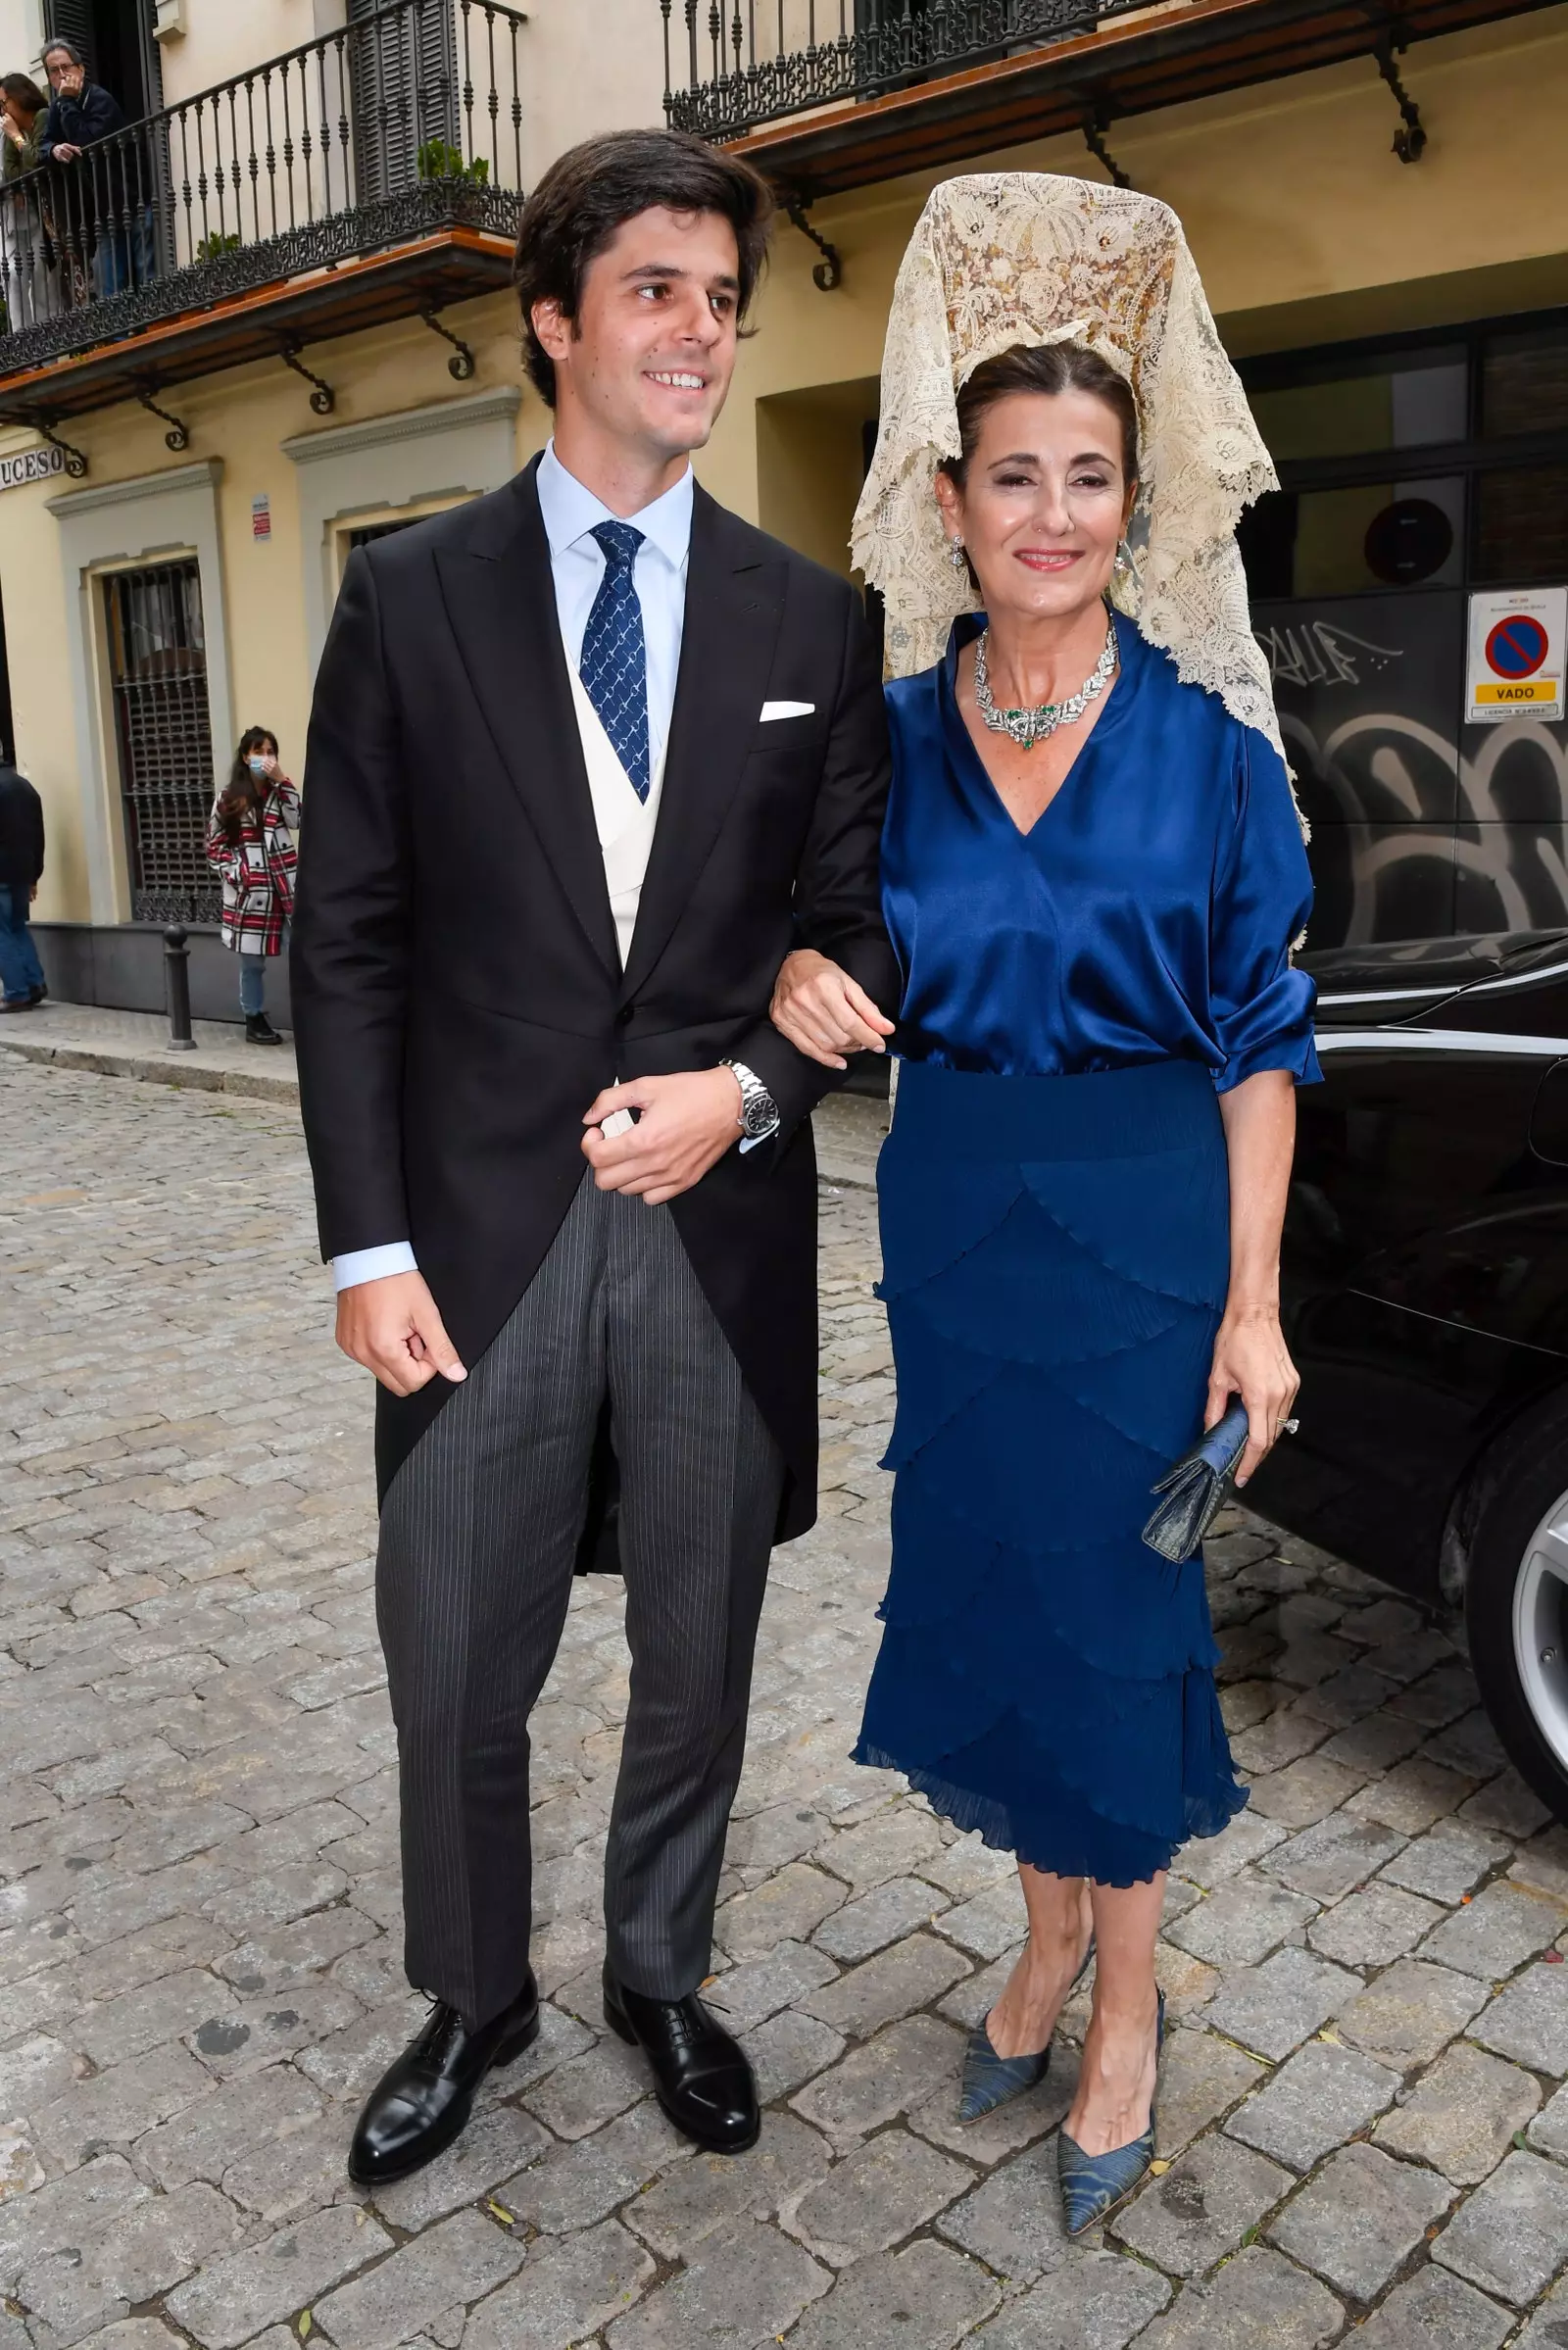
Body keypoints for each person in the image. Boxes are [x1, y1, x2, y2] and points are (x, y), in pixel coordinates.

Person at [290, 127, 898, 2188]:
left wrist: (746, 1088)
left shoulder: (814, 614)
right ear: (552, 317)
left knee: (699, 1644)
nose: (699, 331)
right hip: (474, 1235)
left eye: (722, 297)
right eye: (655, 288)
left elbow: (857, 924)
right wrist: (365, 1241)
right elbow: (346, 938)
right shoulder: (409, 597)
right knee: (458, 1648)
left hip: (715, 1230)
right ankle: (472, 1995)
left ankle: (658, 1966)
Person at [769, 173, 1317, 2235]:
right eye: (1017, 475)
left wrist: (1251, 1306)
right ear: (951, 493)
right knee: (995, 1591)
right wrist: (790, 982)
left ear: (1133, 496)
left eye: (1092, 475)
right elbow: (823, 949)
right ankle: (1033, 1936)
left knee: (1117, 1621)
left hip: (1148, 1215)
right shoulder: (882, 742)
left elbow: (1262, 1032)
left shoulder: (1209, 752)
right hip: (953, 1208)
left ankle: (1126, 2005)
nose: (1056, 514)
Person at [206, 729, 299, 1045]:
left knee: (302, 953)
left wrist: (283, 779)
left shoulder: (279, 791)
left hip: (284, 887)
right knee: (252, 962)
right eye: (260, 751)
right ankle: (254, 1017)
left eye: (271, 750)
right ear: (246, 756)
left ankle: (312, 1014)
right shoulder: (229, 797)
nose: (266, 757)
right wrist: (239, 872)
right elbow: (213, 844)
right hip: (251, 892)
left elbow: (298, 818)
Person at [38, 40, 127, 300]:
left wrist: (67, 101)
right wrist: (53, 149)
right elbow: (44, 144)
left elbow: (85, 141)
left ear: (81, 69)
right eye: (54, 71)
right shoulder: (57, 107)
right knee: (107, 277)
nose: (61, 75)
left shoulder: (99, 99)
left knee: (130, 274)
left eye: (66, 67)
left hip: (122, 196)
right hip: (91, 206)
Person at [0, 74, 49, 329]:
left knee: (43, 280)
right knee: (12, 280)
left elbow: (35, 164)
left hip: (40, 214)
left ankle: (51, 353)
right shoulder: (7, 129)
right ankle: (24, 346)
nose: (2, 110)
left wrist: (16, 136)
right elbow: (9, 171)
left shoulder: (40, 119)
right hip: (10, 219)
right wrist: (18, 183)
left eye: (4, 102)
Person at [0, 755, 45, 1009]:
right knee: (17, 926)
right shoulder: (25, 787)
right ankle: (34, 983)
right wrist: (34, 874)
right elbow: (38, 833)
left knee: (2, 932)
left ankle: (17, 992)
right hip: (23, 869)